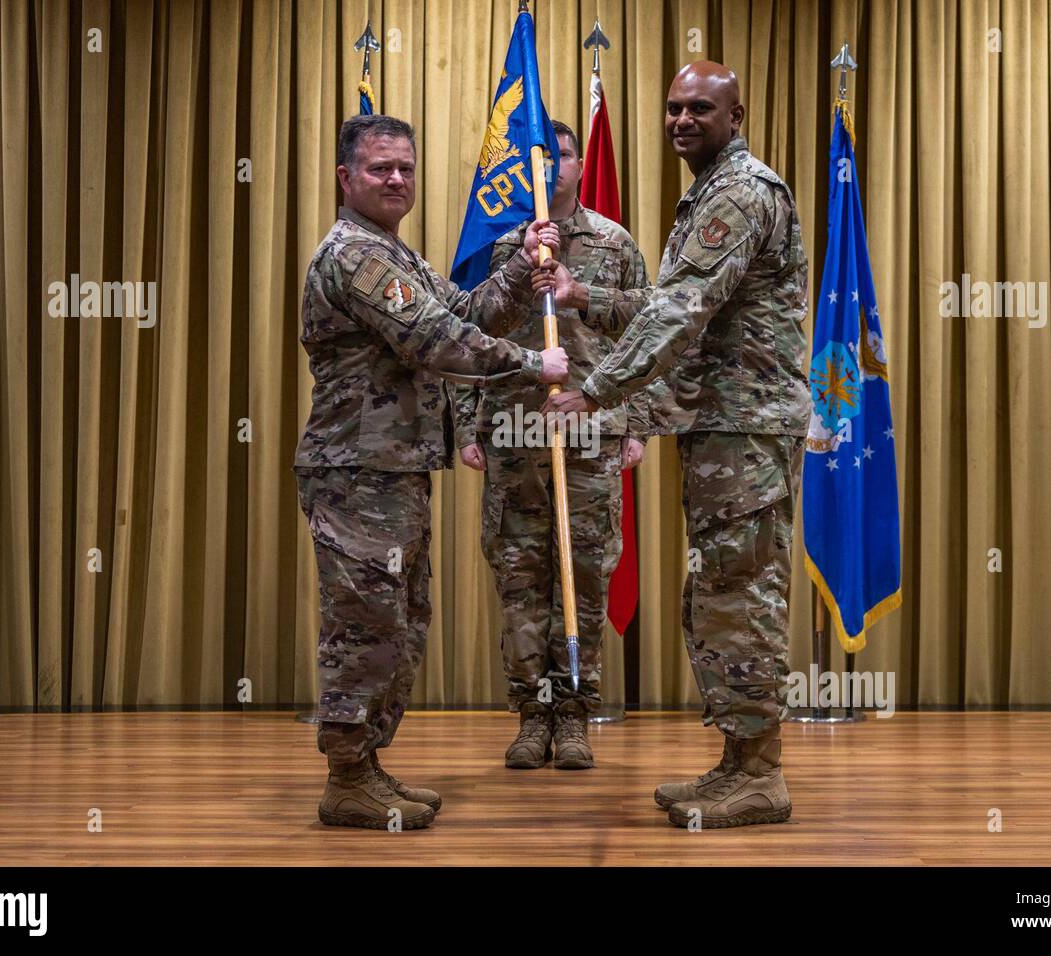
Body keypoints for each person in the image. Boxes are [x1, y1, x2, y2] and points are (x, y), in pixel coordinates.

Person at [538, 62, 812, 828]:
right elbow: (672, 301)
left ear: (737, 114)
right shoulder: (708, 193)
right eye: (672, 108)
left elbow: (681, 311)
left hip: (745, 429)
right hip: (721, 426)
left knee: (741, 597)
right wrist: (590, 296)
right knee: (719, 592)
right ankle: (738, 761)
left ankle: (761, 773)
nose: (682, 120)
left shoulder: (740, 191)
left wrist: (596, 390)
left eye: (700, 108)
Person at [295, 114, 567, 830]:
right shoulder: (355, 256)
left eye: (406, 168)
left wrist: (517, 265)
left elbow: (470, 308)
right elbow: (439, 340)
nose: (396, 180)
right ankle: (346, 777)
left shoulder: (396, 253)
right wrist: (534, 364)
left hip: (394, 470)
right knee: (361, 629)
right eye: (380, 167)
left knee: (398, 622)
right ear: (345, 178)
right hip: (357, 472)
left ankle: (369, 767)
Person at [452, 120, 651, 770]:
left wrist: (638, 422)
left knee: (584, 580)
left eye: (562, 155)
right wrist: (468, 424)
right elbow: (464, 332)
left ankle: (574, 716)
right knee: (521, 583)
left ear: (576, 163)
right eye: (538, 157)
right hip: (514, 435)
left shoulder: (613, 242)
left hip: (591, 435)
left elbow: (649, 329)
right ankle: (531, 717)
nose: (551, 167)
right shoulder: (502, 243)